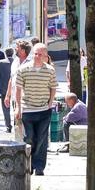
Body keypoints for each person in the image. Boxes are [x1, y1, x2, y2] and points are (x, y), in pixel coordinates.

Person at [16, 43, 57, 175]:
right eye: (35, 53)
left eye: (40, 54)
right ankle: (29, 163)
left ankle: (39, 166)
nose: (37, 56)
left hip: (44, 109)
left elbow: (53, 87)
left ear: (45, 56)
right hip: (28, 109)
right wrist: (18, 108)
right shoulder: (23, 69)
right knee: (29, 138)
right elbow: (18, 89)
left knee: (41, 139)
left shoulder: (50, 70)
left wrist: (50, 102)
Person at [7, 39, 32, 144]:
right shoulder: (15, 62)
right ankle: (18, 144)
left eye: (17, 48)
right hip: (14, 97)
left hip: (26, 99)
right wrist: (7, 95)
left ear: (23, 50)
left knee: (26, 122)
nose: (15, 49)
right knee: (17, 121)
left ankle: (27, 144)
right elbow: (11, 78)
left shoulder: (31, 63)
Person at [0, 47, 14, 132]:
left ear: (5, 54)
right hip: (15, 89)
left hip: (4, 88)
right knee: (17, 107)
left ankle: (8, 126)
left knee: (6, 108)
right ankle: (17, 124)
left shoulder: (1, 62)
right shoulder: (17, 62)